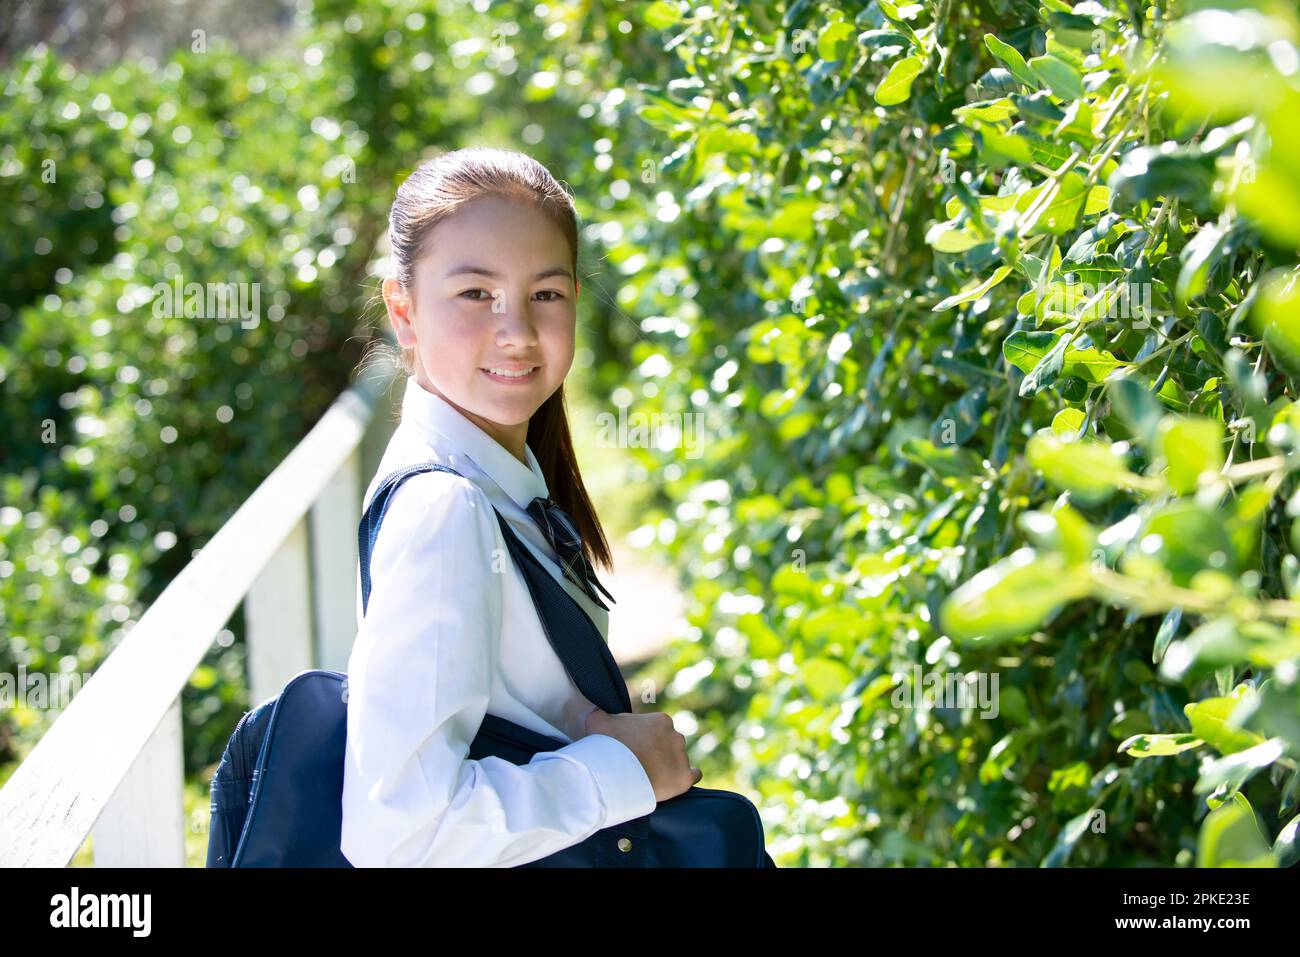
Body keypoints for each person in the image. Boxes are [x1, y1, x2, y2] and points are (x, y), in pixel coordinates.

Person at [339, 146, 701, 867]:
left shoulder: (506, 480)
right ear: (403, 311)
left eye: (546, 293)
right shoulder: (444, 508)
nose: (517, 330)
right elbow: (397, 834)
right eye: (475, 294)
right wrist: (623, 773)